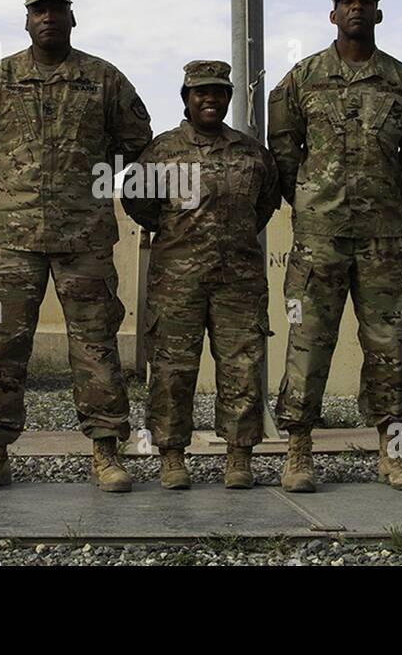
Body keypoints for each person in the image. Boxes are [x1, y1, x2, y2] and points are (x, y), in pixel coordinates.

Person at [0, 0, 153, 492]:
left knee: (95, 344)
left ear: (71, 18)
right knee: (3, 345)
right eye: (39, 11)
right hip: (14, 236)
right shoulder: (0, 78)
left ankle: (106, 453)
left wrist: (90, 175)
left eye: (57, 10)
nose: (48, 19)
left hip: (83, 234)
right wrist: (6, 171)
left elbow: (137, 140)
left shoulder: (103, 79)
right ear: (26, 19)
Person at [266, 0, 402, 493]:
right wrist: (312, 199)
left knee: (388, 342)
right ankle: (298, 452)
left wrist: (386, 195)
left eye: (365, 3)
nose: (357, 9)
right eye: (347, 3)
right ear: (333, 15)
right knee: (309, 342)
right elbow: (283, 150)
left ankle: (393, 452)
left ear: (378, 16)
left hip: (383, 237)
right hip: (319, 238)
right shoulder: (302, 80)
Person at [123, 60, 279, 489]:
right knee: (173, 369)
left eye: (219, 92)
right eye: (201, 93)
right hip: (177, 280)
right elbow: (138, 202)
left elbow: (263, 205)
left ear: (228, 98)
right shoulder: (162, 151)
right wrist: (179, 233)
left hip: (239, 282)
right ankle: (172, 456)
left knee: (242, 367)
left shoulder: (251, 153)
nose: (211, 99)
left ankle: (239, 456)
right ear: (186, 99)